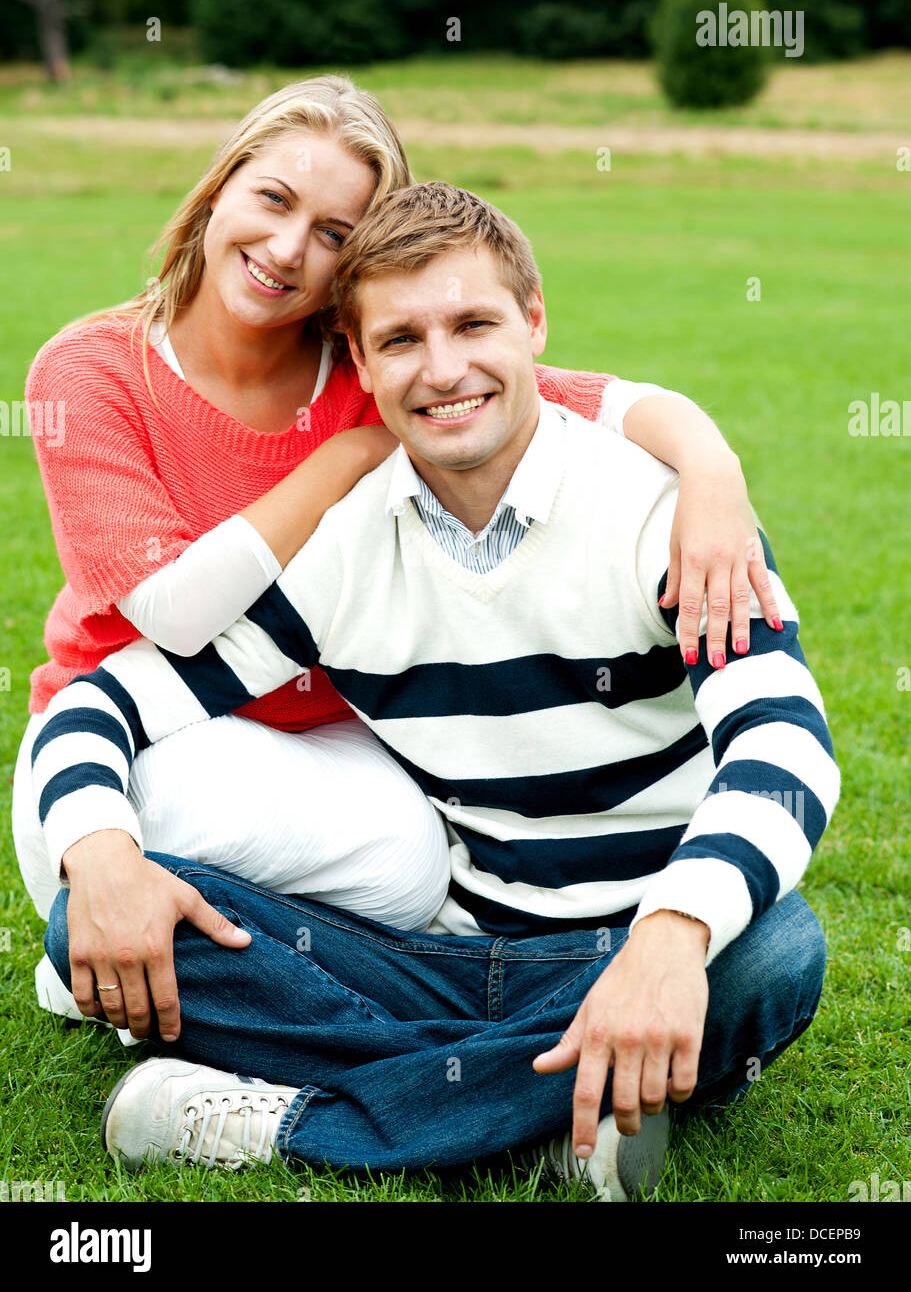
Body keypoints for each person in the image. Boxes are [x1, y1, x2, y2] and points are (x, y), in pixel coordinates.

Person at [36, 183, 837, 1201]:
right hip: (447, 954)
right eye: (402, 338)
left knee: (773, 950)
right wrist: (99, 849)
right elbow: (101, 703)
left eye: (472, 323)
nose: (444, 366)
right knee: (91, 920)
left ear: (533, 323)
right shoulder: (345, 549)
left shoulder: (663, 515)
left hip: (637, 941)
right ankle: (549, 1113)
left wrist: (670, 938)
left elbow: (783, 755)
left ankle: (284, 1122)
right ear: (360, 364)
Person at [13, 76, 781, 1034]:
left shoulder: (377, 363)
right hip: (140, 752)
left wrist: (712, 469)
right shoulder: (96, 371)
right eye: (274, 200)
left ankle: (241, 1015)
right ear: (218, 190)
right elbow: (170, 613)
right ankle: (117, 931)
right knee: (277, 838)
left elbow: (585, 397)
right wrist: (343, 457)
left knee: (418, 867)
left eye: (336, 233)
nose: (290, 250)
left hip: (342, 759)